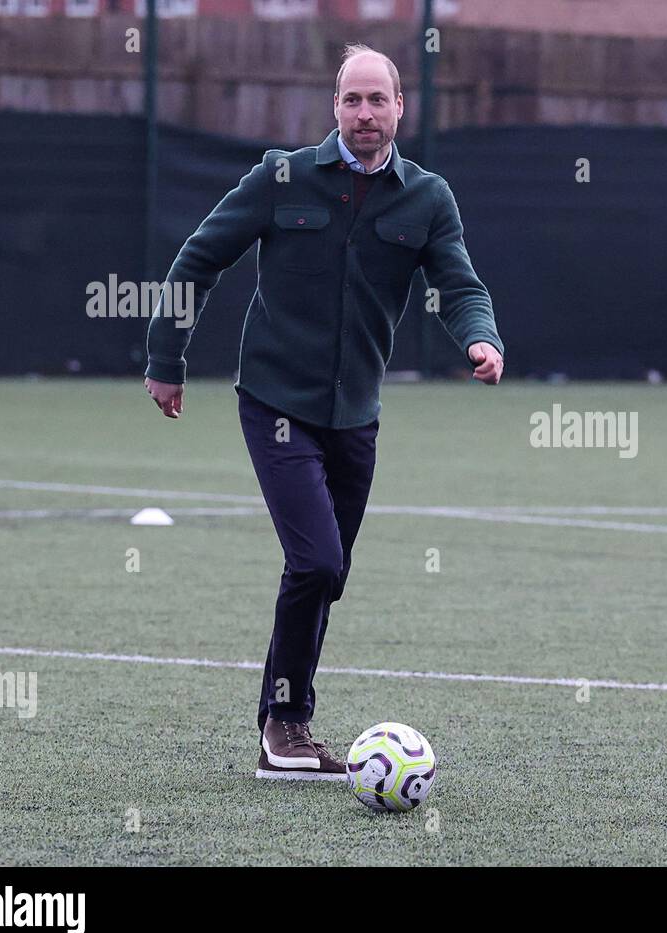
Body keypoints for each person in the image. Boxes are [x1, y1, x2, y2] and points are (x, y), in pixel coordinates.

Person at [142, 44, 504, 781]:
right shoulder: (282, 176)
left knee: (323, 574)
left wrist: (480, 338)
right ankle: (286, 725)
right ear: (334, 107)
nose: (365, 113)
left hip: (356, 415)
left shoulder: (428, 198)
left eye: (378, 100)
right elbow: (199, 258)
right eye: (352, 100)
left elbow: (459, 283)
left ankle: (284, 723)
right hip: (277, 402)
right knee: (316, 559)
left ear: (401, 107)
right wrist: (164, 359)